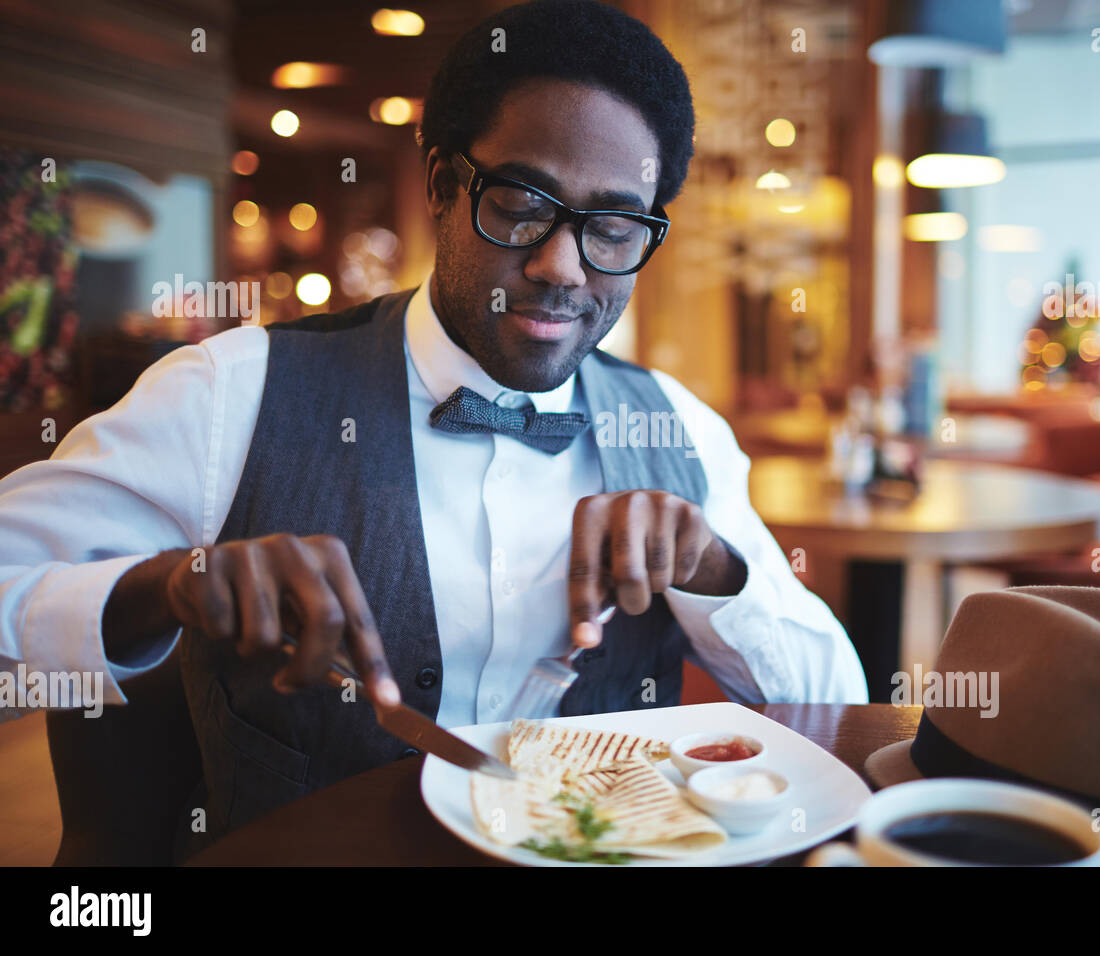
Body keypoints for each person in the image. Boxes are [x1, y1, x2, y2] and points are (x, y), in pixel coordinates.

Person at [0, 0, 866, 854]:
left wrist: (716, 568)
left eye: (610, 226)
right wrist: (160, 588)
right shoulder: (232, 392)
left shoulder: (680, 427)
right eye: (525, 204)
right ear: (446, 187)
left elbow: (839, 702)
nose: (562, 265)